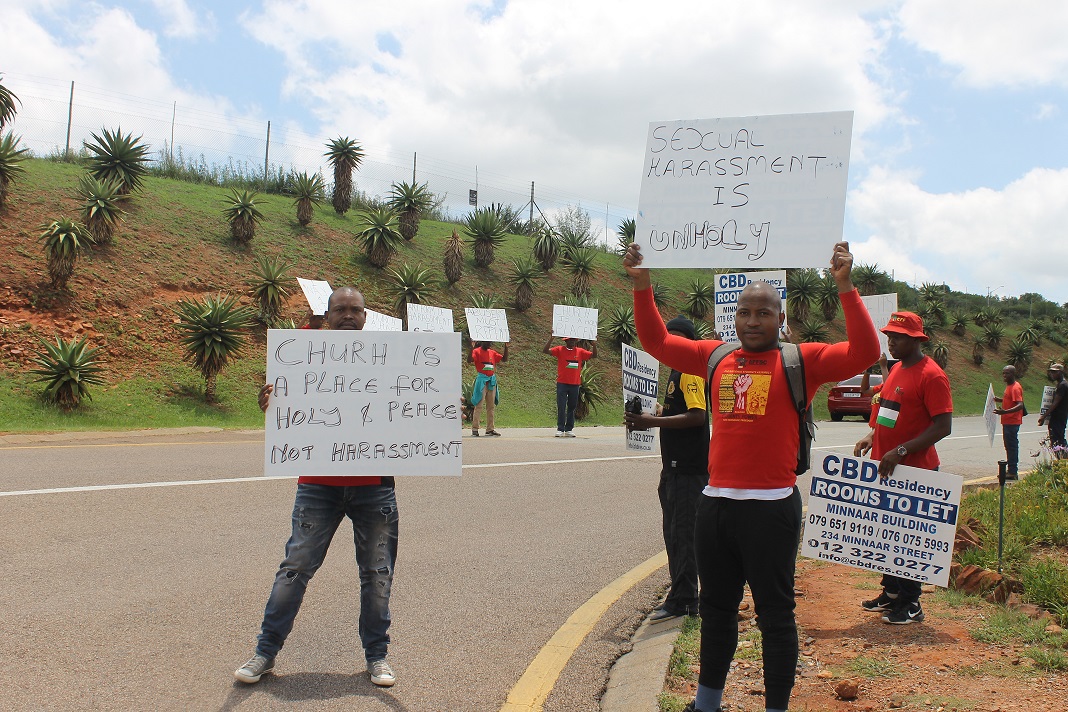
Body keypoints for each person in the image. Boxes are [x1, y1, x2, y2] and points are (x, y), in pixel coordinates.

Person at [624, 241, 879, 712]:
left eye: (764, 313)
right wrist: (643, 286)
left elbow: (865, 351)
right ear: (733, 318)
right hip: (715, 506)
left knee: (776, 617)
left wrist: (845, 285)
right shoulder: (715, 357)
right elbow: (658, 343)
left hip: (772, 511)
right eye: (745, 312)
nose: (753, 320)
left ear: (780, 319)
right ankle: (706, 704)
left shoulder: (802, 361)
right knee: (717, 613)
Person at [235, 287, 399, 688]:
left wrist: (442, 412)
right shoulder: (301, 357)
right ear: (326, 317)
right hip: (317, 486)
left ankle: (377, 657)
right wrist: (271, 403)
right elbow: (288, 411)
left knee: (377, 574)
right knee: (295, 568)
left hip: (375, 487)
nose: (347, 315)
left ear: (366, 317)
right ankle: (264, 653)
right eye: (339, 310)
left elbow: (414, 412)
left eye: (355, 310)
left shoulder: (394, 361)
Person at [853, 311, 952, 626]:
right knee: (887, 535)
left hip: (916, 470)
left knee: (909, 539)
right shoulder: (895, 371)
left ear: (916, 339)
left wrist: (901, 450)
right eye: (889, 336)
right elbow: (888, 413)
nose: (891, 341)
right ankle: (891, 593)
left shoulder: (931, 375)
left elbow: (943, 426)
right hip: (887, 468)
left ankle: (911, 603)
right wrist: (873, 436)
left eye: (897, 337)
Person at [624, 315, 709, 622]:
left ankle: (685, 600)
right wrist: (657, 410)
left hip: (687, 469)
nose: (670, 343)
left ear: (688, 341)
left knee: (683, 536)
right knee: (674, 534)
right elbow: (680, 410)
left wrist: (652, 422)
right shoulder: (676, 370)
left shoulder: (689, 370)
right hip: (674, 469)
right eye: (667, 337)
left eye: (676, 337)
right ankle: (680, 594)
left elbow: (697, 416)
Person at [543, 334, 597, 437]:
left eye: (574, 340)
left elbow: (593, 356)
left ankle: (569, 429)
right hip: (562, 383)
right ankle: (560, 428)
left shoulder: (580, 352)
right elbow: (545, 351)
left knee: (572, 406)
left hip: (575, 384)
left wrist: (594, 345)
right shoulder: (559, 350)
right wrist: (551, 338)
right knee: (561, 406)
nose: (572, 342)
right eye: (570, 340)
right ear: (566, 341)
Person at [470, 340, 508, 437]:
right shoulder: (477, 351)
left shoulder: (492, 352)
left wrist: (506, 347)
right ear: (482, 342)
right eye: (487, 342)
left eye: (490, 343)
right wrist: (472, 347)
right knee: (479, 404)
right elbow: (469, 360)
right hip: (482, 380)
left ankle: (490, 429)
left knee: (491, 406)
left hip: (491, 381)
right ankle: (475, 428)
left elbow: (504, 359)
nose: (489, 344)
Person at [993, 365, 1025, 477]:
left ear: (1013, 374)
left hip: (1012, 422)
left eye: (1007, 373)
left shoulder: (1015, 387)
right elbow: (1011, 400)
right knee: (1008, 445)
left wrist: (1005, 412)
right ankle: (1011, 469)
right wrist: (1000, 400)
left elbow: (1020, 405)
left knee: (1011, 446)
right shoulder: (1009, 386)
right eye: (1003, 373)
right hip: (1007, 421)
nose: (1004, 376)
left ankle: (1012, 471)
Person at [1038, 363, 1068, 450]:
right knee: (1056, 440)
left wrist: (1044, 416)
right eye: (1051, 372)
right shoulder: (1060, 384)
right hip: (1058, 417)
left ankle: (1062, 460)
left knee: (1058, 441)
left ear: (1061, 372)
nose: (1052, 374)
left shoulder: (1063, 385)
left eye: (1055, 372)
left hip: (1059, 417)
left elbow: (1055, 403)